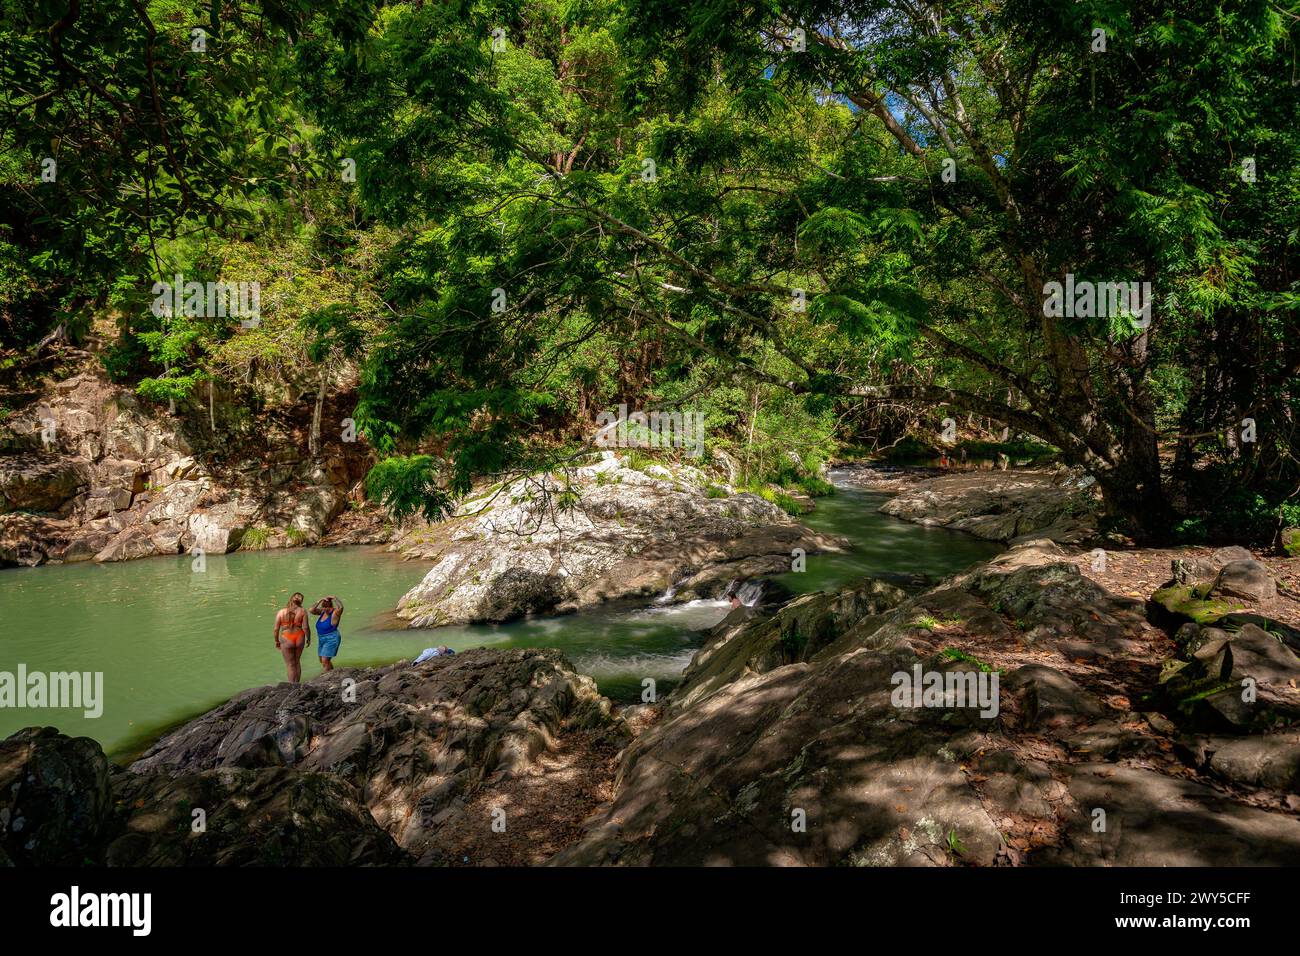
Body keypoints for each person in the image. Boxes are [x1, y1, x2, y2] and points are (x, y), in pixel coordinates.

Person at [274, 592, 310, 682]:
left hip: (286, 637)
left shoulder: (281, 612)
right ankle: (297, 684)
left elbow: (276, 629)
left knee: (290, 665)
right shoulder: (303, 611)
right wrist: (309, 638)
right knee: (297, 662)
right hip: (299, 636)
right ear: (301, 601)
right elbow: (305, 627)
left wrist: (277, 641)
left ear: (291, 599)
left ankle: (291, 686)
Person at [311, 594, 345, 672]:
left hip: (332, 638)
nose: (327, 609)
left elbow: (341, 607)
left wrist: (335, 598)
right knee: (322, 660)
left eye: (328, 607)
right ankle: (332, 673)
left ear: (332, 607)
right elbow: (311, 610)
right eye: (324, 607)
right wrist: (319, 600)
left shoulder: (335, 613)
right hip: (321, 638)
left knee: (325, 661)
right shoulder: (323, 612)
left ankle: (325, 678)